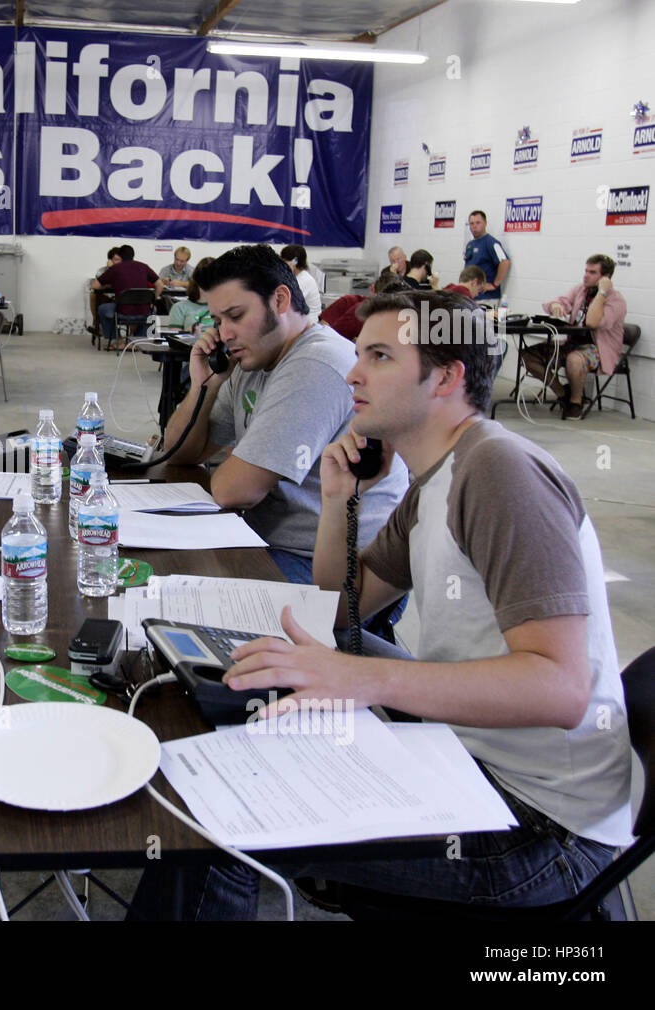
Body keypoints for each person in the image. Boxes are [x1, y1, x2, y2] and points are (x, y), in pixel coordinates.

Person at [131, 288, 631, 919]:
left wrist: (362, 679)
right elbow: (342, 610)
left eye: (379, 357)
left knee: (220, 831)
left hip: (538, 827)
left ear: (445, 377)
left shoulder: (500, 471)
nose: (353, 373)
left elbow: (560, 689)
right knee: (266, 673)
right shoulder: (437, 478)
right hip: (470, 757)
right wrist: (341, 497)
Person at [161, 245, 407, 584]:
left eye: (236, 316)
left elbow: (234, 491)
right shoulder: (250, 358)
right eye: (218, 321)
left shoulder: (315, 364)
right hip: (273, 540)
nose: (225, 333)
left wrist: (237, 463)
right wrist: (205, 387)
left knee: (182, 590)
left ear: (280, 300)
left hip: (331, 566)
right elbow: (177, 453)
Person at [522, 254, 628, 421]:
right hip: (572, 344)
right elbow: (558, 301)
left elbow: (592, 322)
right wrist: (556, 305)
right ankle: (562, 393)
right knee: (529, 355)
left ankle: (576, 402)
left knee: (574, 359)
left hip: (599, 350)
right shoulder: (581, 290)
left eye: (592, 272)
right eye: (586, 270)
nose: (586, 275)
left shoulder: (616, 300)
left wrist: (601, 292)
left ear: (605, 278)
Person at [92, 244, 158, 348]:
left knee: (102, 309)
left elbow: (95, 285)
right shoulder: (144, 266)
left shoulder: (116, 268)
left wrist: (108, 284)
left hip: (122, 311)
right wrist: (153, 299)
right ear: (133, 255)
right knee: (152, 311)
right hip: (143, 311)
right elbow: (160, 284)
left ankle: (117, 340)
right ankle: (137, 341)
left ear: (121, 257)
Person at [463, 210, 510, 301]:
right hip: (471, 296)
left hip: (487, 298)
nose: (474, 226)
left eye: (478, 223)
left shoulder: (491, 242)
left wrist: (494, 284)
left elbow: (505, 262)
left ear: (485, 223)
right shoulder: (470, 244)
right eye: (471, 223)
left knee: (489, 316)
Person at [165, 256, 214, 331]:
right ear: (196, 278)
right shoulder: (179, 308)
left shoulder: (225, 308)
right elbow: (174, 339)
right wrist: (187, 333)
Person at [280, 244, 322, 321]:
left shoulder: (305, 279)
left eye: (284, 261)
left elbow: (288, 301)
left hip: (308, 322)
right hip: (297, 319)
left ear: (294, 262)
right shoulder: (293, 277)